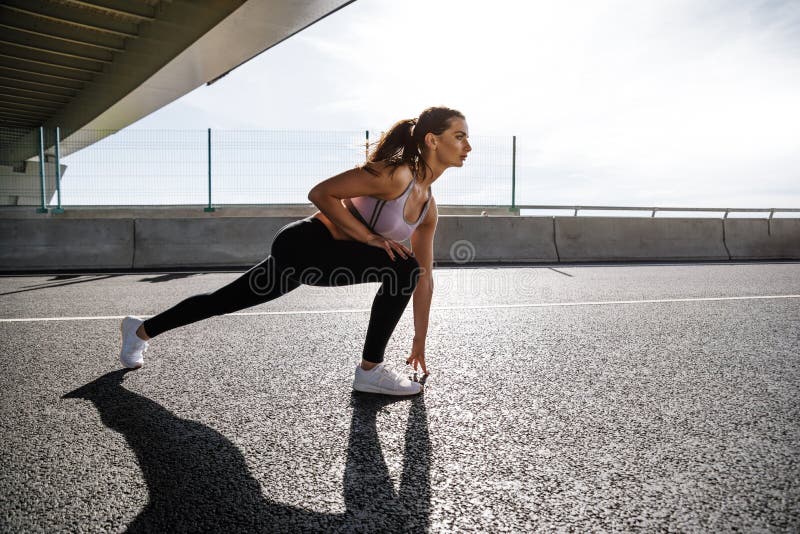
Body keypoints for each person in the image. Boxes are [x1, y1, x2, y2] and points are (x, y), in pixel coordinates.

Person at [119, 106, 471, 395]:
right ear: (431, 140)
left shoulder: (428, 209)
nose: (467, 146)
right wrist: (368, 238)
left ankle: (139, 330)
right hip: (304, 243)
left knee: (220, 301)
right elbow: (321, 193)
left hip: (324, 261)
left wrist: (420, 339)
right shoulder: (396, 175)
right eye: (459, 136)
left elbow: (424, 278)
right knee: (402, 266)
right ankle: (370, 371)